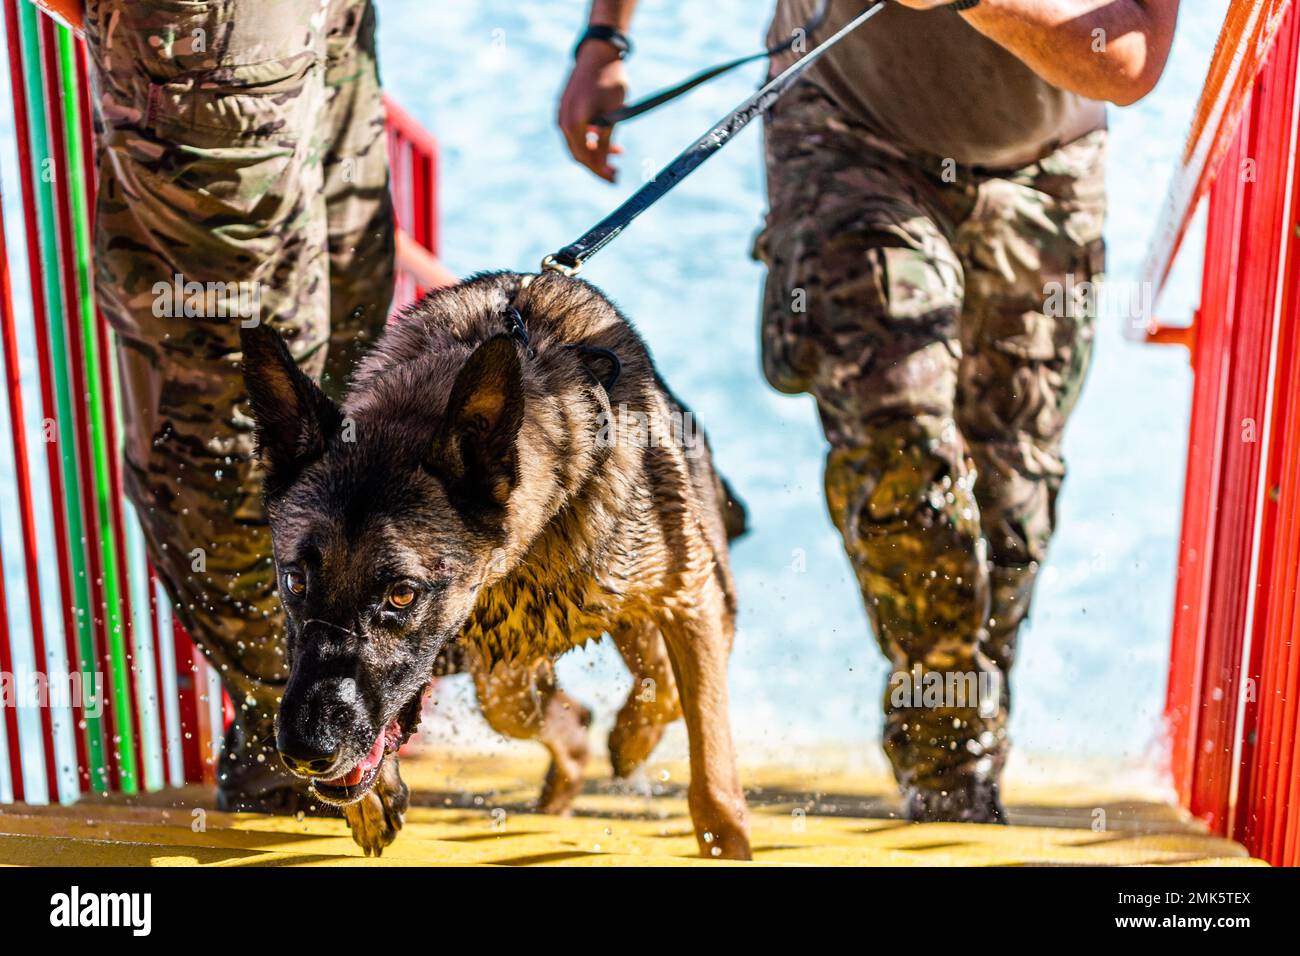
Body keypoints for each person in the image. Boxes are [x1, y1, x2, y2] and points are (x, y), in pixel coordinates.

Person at [557, 0, 1179, 822]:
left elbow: (1130, 60)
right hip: (846, 123)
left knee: (1013, 500)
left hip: (1047, 163)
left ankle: (961, 724)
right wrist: (606, 39)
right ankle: (950, 772)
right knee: (903, 444)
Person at [68, 0, 395, 810]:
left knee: (337, 370)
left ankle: (342, 715)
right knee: (239, 420)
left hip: (273, 32)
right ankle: (306, 732)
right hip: (213, 40)